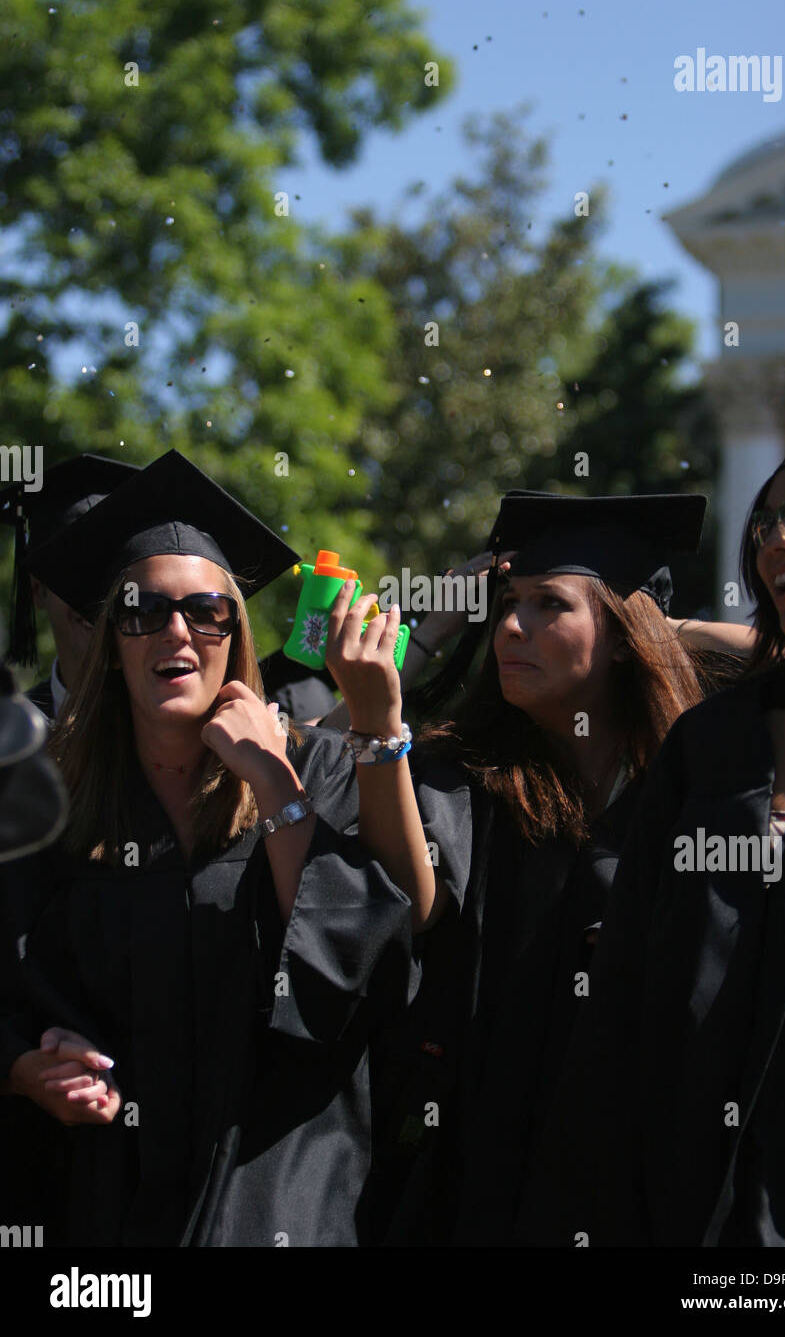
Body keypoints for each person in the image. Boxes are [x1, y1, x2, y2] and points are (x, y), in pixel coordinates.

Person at [0, 448, 468, 1247]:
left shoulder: (317, 768)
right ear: (112, 637)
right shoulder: (56, 798)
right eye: (143, 610)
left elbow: (379, 963)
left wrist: (274, 784)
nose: (176, 630)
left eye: (208, 611)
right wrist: (21, 1065)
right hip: (108, 1201)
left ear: (235, 630)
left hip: (286, 1192)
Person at [561, 364, 785, 1247]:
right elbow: (626, 976)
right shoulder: (713, 745)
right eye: (765, 523)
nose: (774, 542)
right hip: (689, 1199)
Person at [367, 489, 710, 1246]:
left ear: (624, 635)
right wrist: (430, 630)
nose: (510, 627)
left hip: (640, 1178)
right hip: (474, 1179)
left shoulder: (693, 790)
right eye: (507, 602)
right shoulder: (460, 775)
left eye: (549, 604)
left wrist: (665, 624)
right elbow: (415, 896)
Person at [1, 454, 139, 718]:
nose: (96, 591)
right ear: (38, 590)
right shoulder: (12, 738)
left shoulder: (181, 729)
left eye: (113, 570)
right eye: (74, 568)